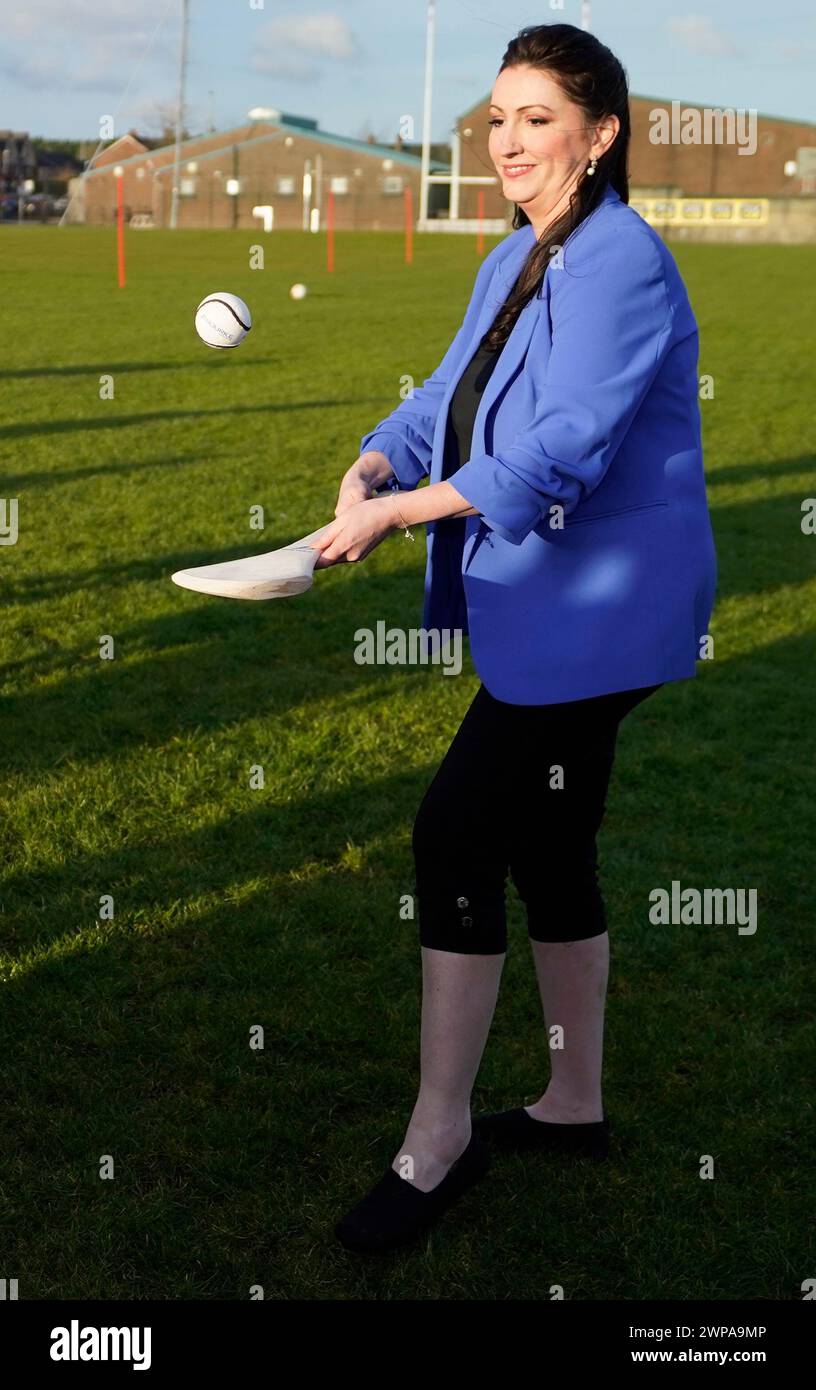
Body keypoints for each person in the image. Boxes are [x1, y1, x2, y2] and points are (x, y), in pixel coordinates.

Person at [310, 22, 717, 1255]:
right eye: (497, 120)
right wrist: (379, 454)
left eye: (537, 119)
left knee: (455, 829)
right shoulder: (513, 256)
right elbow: (451, 398)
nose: (508, 142)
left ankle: (439, 1139)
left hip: (606, 610)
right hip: (554, 601)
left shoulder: (620, 263)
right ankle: (574, 1104)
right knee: (548, 836)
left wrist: (400, 514)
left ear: (598, 138)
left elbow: (559, 451)